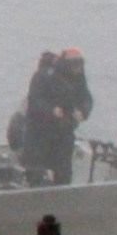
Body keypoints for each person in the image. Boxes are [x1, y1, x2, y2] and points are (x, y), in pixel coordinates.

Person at [6, 48, 96, 188]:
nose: (78, 68)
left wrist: (83, 111)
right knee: (35, 170)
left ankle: (62, 194)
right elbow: (35, 101)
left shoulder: (78, 78)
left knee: (63, 171)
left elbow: (86, 98)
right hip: (39, 132)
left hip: (64, 131)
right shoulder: (43, 76)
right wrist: (51, 110)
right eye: (74, 64)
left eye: (80, 63)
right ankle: (33, 190)